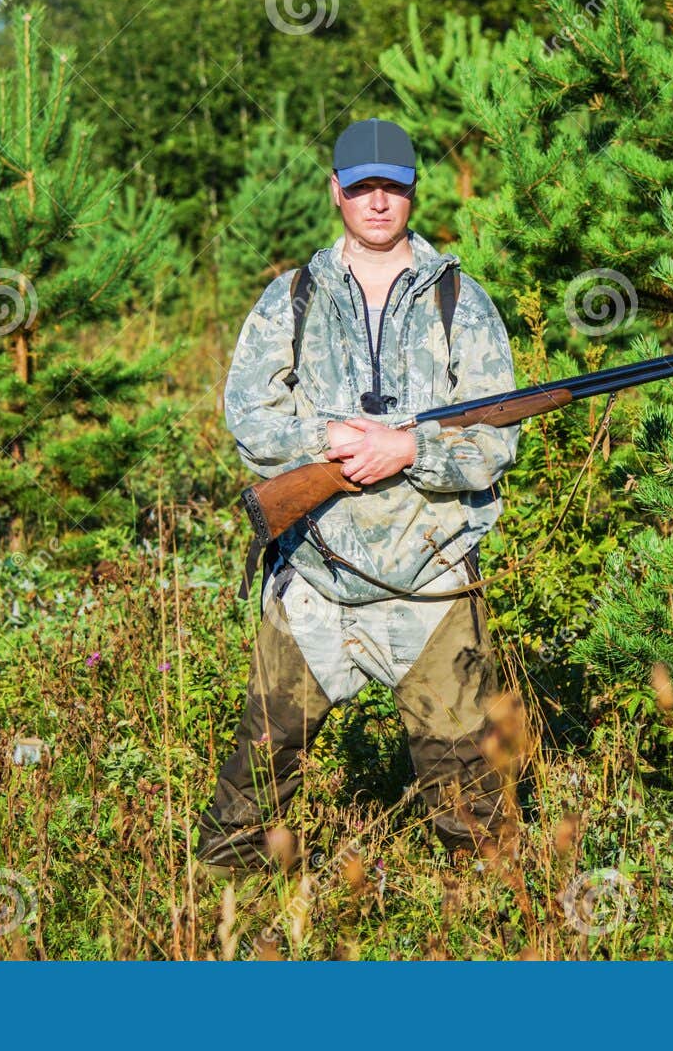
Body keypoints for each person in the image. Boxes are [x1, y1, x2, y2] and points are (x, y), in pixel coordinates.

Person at [197, 117, 522, 876]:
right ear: (336, 191)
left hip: (434, 579)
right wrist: (339, 444)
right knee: (252, 792)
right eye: (364, 187)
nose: (379, 202)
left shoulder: (460, 303)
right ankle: (225, 930)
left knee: (473, 808)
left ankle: (486, 936)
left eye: (394, 187)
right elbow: (248, 418)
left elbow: (497, 442)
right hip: (316, 576)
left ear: (412, 193)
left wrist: (409, 448)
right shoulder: (292, 300)